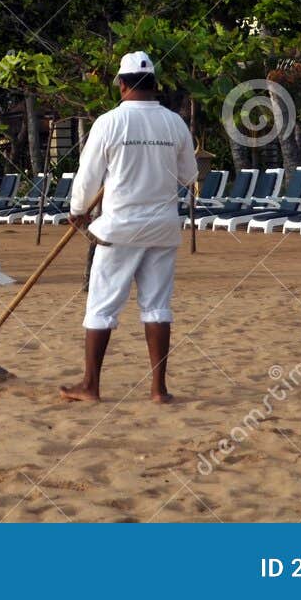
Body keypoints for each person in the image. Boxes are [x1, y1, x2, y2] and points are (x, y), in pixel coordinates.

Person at [60, 51, 198, 405]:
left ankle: (91, 386)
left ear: (122, 84)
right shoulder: (175, 123)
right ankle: (158, 390)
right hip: (163, 227)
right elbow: (188, 177)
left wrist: (77, 211)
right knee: (156, 306)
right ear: (154, 85)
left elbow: (89, 175)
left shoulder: (108, 122)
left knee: (102, 306)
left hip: (119, 228)